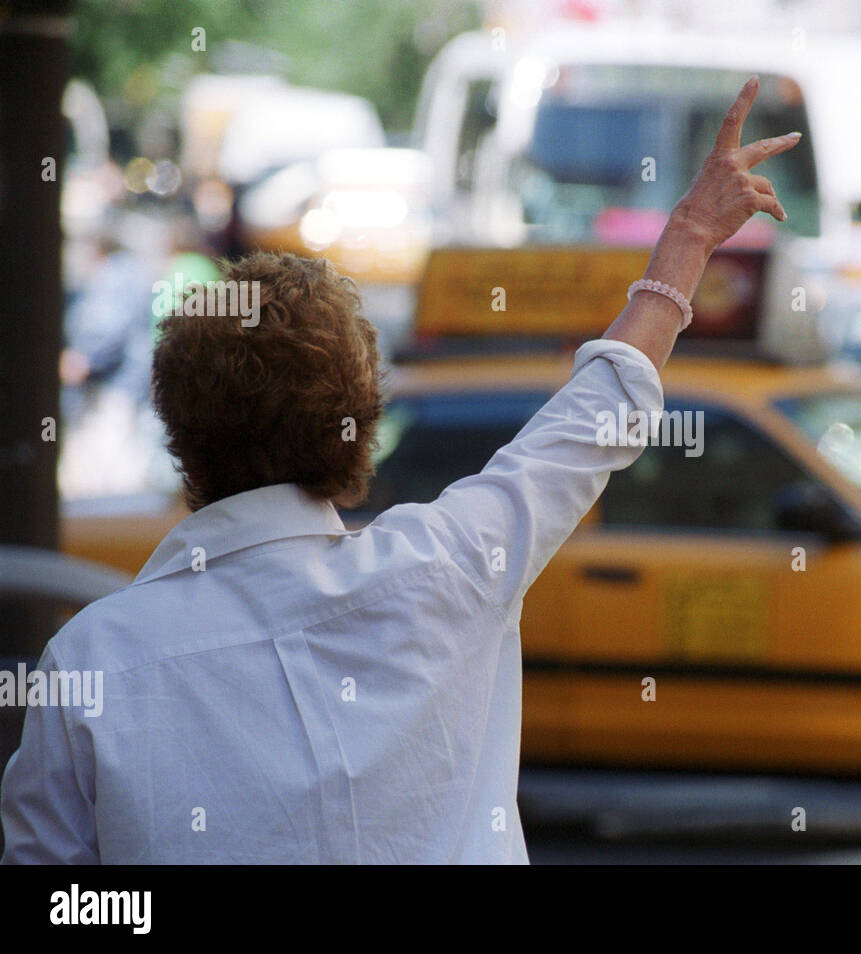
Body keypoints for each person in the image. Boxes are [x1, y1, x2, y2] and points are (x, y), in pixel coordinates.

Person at [0, 79, 799, 864]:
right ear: (358, 431)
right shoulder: (449, 566)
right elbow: (596, 414)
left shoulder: (95, 663)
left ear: (179, 434)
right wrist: (690, 234)